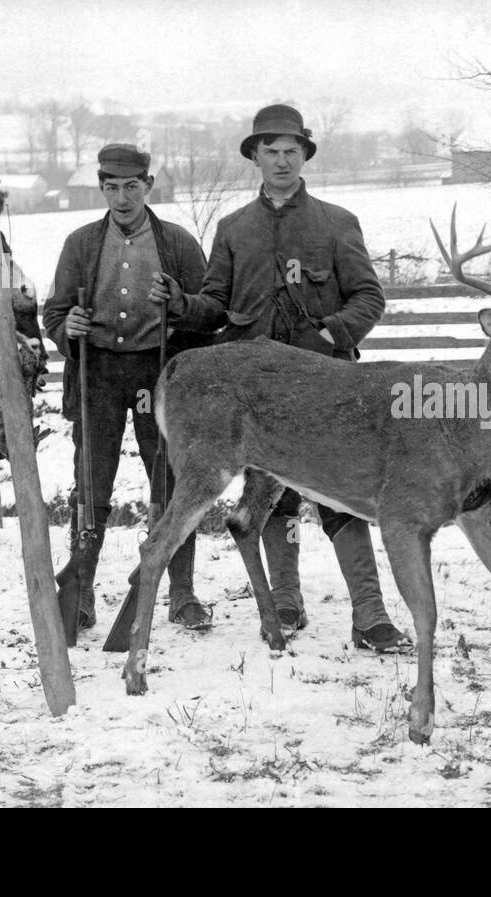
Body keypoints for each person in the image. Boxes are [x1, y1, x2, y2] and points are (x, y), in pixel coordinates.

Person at [152, 104, 410, 651]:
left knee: (341, 495)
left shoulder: (337, 223)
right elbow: (215, 306)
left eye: (292, 150)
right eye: (270, 151)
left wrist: (329, 334)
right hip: (257, 391)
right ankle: (287, 601)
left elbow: (370, 297)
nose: (282, 160)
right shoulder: (233, 229)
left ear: (305, 156)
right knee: (270, 496)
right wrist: (181, 304)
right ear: (255, 158)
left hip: (326, 385)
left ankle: (370, 615)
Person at [43, 144, 222, 632]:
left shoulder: (178, 243)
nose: (121, 197)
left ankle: (181, 594)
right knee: (91, 485)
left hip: (158, 375)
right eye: (111, 187)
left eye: (131, 187)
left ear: (147, 186)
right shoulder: (80, 244)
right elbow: (54, 312)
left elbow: (213, 310)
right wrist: (68, 327)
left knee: (171, 482)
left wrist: (181, 302)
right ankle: (79, 591)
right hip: (96, 375)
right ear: (101, 188)